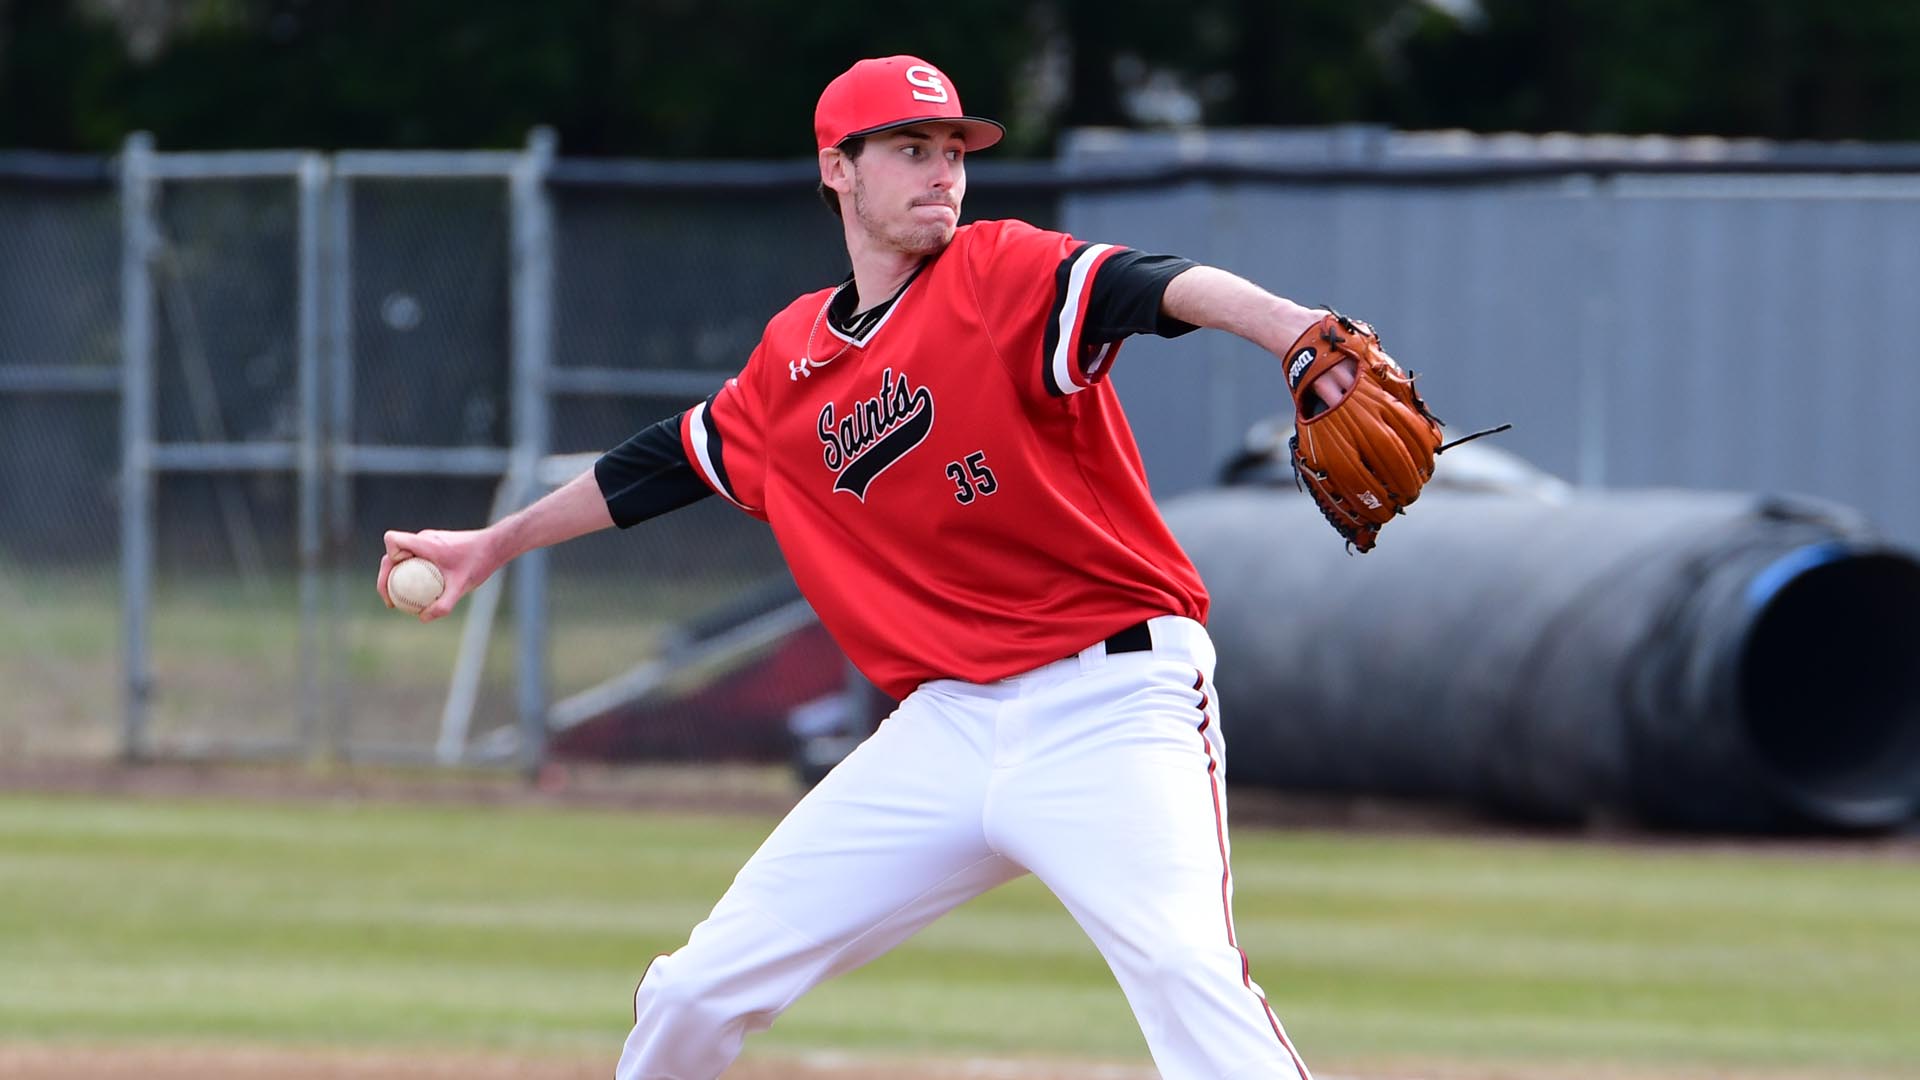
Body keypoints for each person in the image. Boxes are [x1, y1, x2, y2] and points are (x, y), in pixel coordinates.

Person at [379, 55, 1356, 1080]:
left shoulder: (998, 272)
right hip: (948, 728)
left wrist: (1289, 331)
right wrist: (492, 544)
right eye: (908, 150)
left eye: (951, 152)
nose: (942, 173)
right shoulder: (793, 355)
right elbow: (664, 462)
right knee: (695, 992)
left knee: (1185, 974)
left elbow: (1147, 286)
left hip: (1111, 704)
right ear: (838, 168)